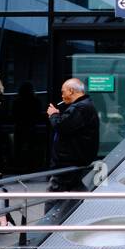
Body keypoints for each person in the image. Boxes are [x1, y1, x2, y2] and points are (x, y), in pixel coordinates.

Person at [46, 78, 100, 212]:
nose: (62, 95)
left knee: (52, 197)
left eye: (63, 92)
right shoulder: (84, 106)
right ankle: (91, 213)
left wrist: (53, 115)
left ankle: (45, 230)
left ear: (71, 91)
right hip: (74, 160)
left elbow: (62, 126)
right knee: (77, 189)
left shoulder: (80, 107)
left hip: (68, 162)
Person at [11, 81, 44, 174]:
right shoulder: (36, 101)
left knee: (18, 148)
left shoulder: (17, 101)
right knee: (31, 148)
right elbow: (38, 114)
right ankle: (31, 167)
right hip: (31, 126)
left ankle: (18, 166)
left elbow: (14, 115)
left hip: (20, 126)